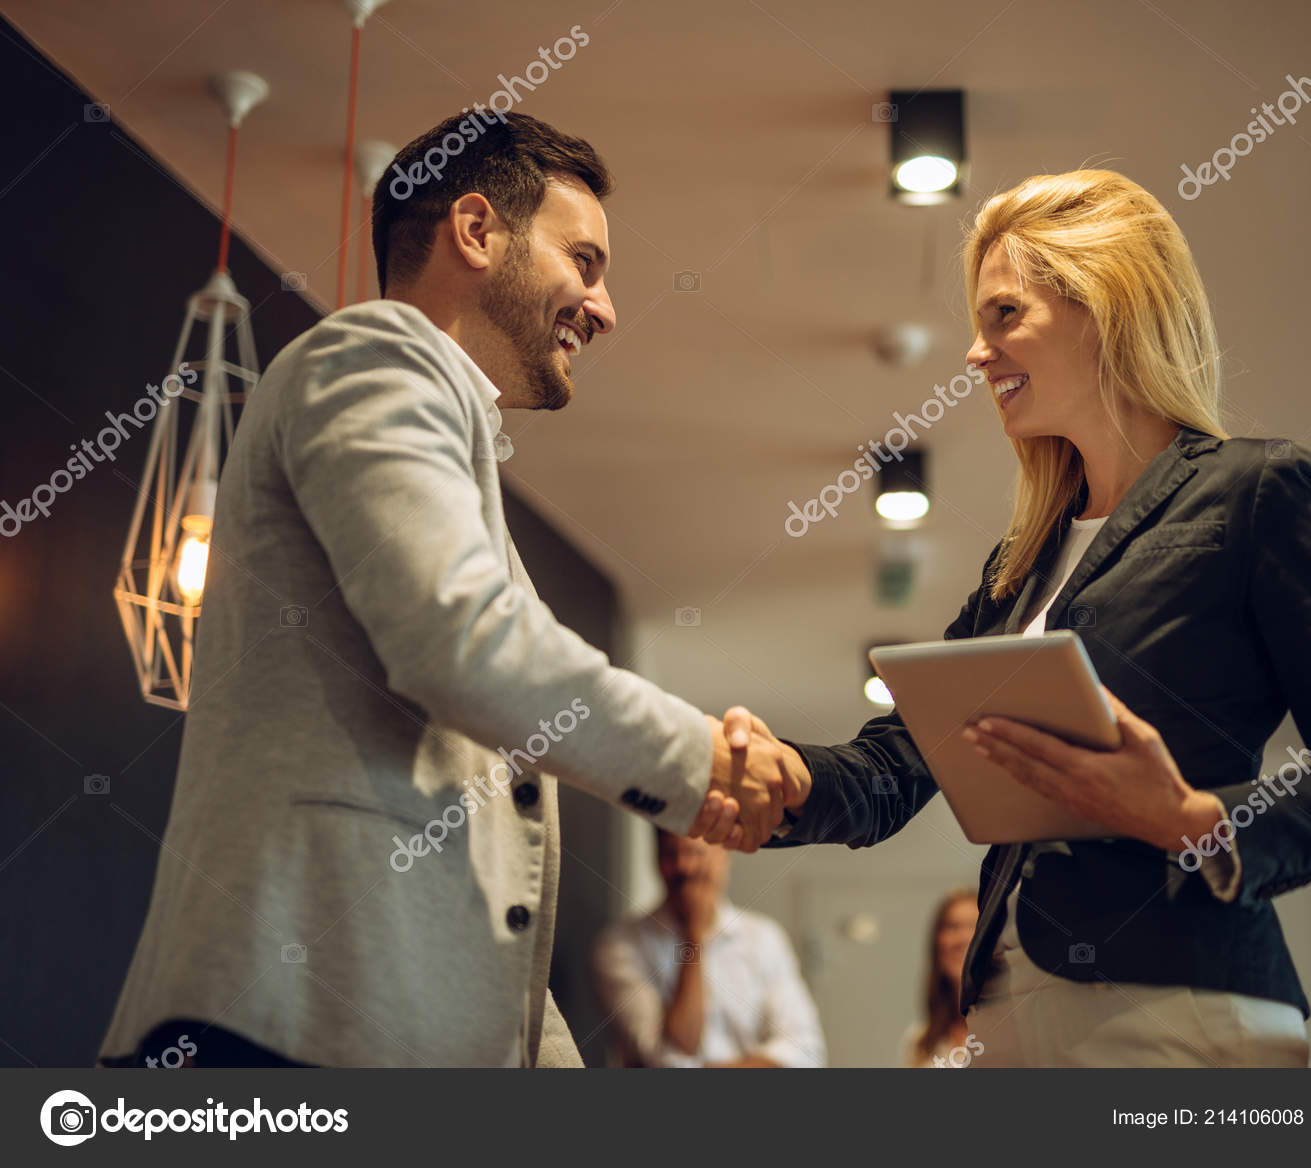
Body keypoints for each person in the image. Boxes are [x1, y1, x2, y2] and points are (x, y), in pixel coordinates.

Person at [97, 111, 800, 1070]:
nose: (604, 307)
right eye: (585, 262)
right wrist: (704, 763)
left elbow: (488, 907)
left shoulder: (468, 479)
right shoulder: (377, 352)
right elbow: (463, 642)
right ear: (476, 231)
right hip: (276, 1034)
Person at [702, 169, 1311, 1068]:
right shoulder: (1020, 565)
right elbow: (906, 756)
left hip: (1178, 1014)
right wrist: (793, 779)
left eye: (1003, 316)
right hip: (1012, 1019)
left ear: (1104, 304)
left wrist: (1191, 816)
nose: (976, 356)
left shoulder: (1254, 493)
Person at [591, 830, 825, 1067]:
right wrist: (694, 935)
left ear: (725, 856)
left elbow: (806, 1049)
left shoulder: (765, 938)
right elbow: (665, 1056)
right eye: (671, 854)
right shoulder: (620, 946)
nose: (685, 866)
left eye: (695, 852)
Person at [901, 889, 979, 1068]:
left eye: (975, 926)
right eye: (952, 927)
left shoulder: (1016, 1030)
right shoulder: (919, 1041)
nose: (962, 938)